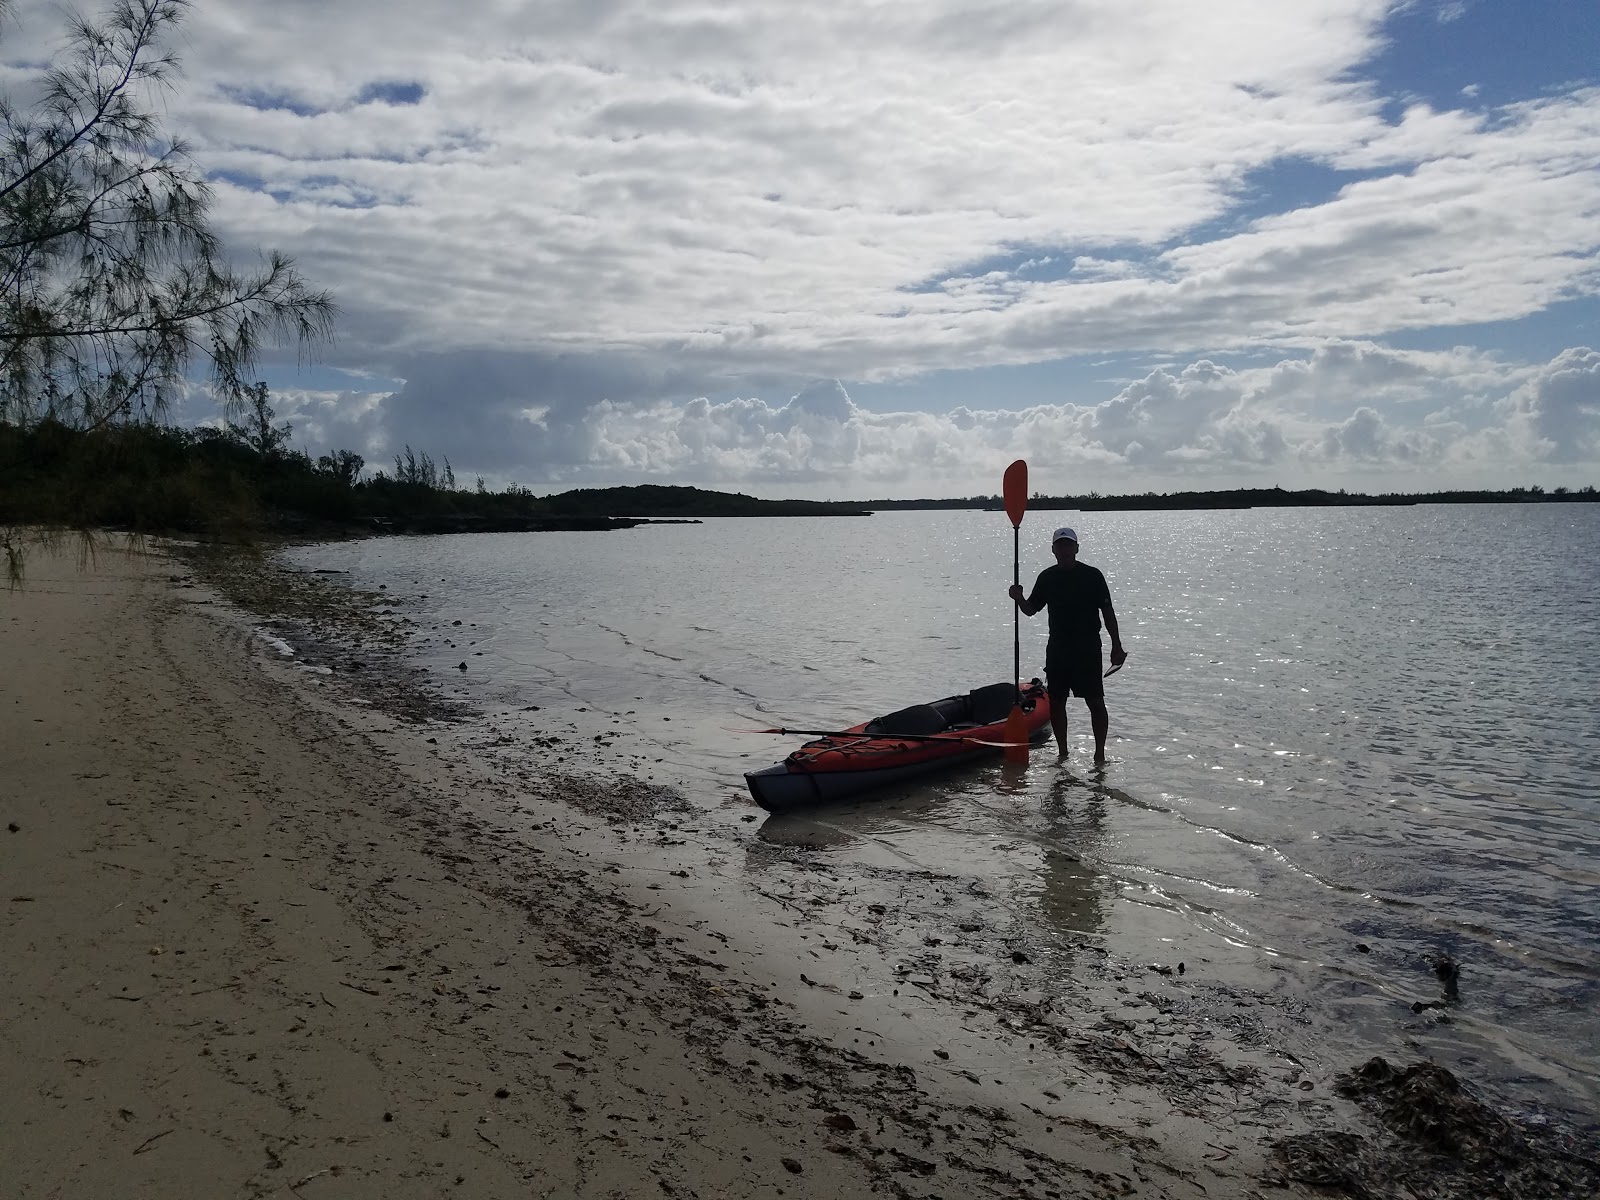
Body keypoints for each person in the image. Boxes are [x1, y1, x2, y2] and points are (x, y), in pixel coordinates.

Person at [1009, 526, 1127, 763]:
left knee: (1095, 702)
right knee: (1057, 703)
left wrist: (1116, 644)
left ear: (1076, 548)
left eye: (1068, 544)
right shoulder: (1047, 577)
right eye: (1060, 544)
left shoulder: (1093, 576)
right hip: (1058, 649)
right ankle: (1062, 753)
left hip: (1088, 648)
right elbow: (1031, 610)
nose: (1064, 548)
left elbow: (1107, 611)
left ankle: (1099, 755)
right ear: (1053, 549)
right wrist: (1018, 597)